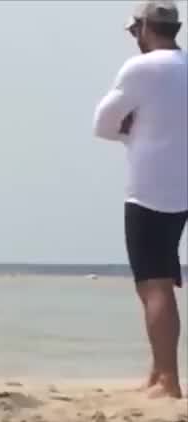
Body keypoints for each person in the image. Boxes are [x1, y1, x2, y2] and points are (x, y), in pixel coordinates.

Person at [93, 0, 188, 400]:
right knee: (162, 280)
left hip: (148, 187)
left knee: (153, 285)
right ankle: (158, 371)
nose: (135, 39)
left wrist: (129, 133)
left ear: (147, 27)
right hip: (183, 186)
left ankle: (168, 379)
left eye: (135, 32)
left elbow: (102, 123)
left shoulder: (141, 68)